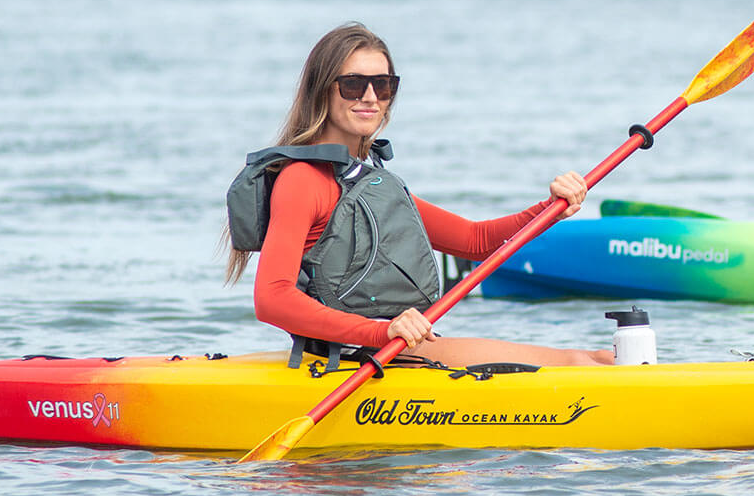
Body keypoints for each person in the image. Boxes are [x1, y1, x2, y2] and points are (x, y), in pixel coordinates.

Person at [222, 23, 612, 367]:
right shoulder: (303, 179)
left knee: (597, 357)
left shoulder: (366, 179)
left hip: (390, 351)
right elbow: (272, 298)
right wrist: (380, 331)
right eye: (354, 84)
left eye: (384, 85)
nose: (371, 97)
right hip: (353, 358)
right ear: (323, 90)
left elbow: (473, 241)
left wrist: (550, 210)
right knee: (581, 362)